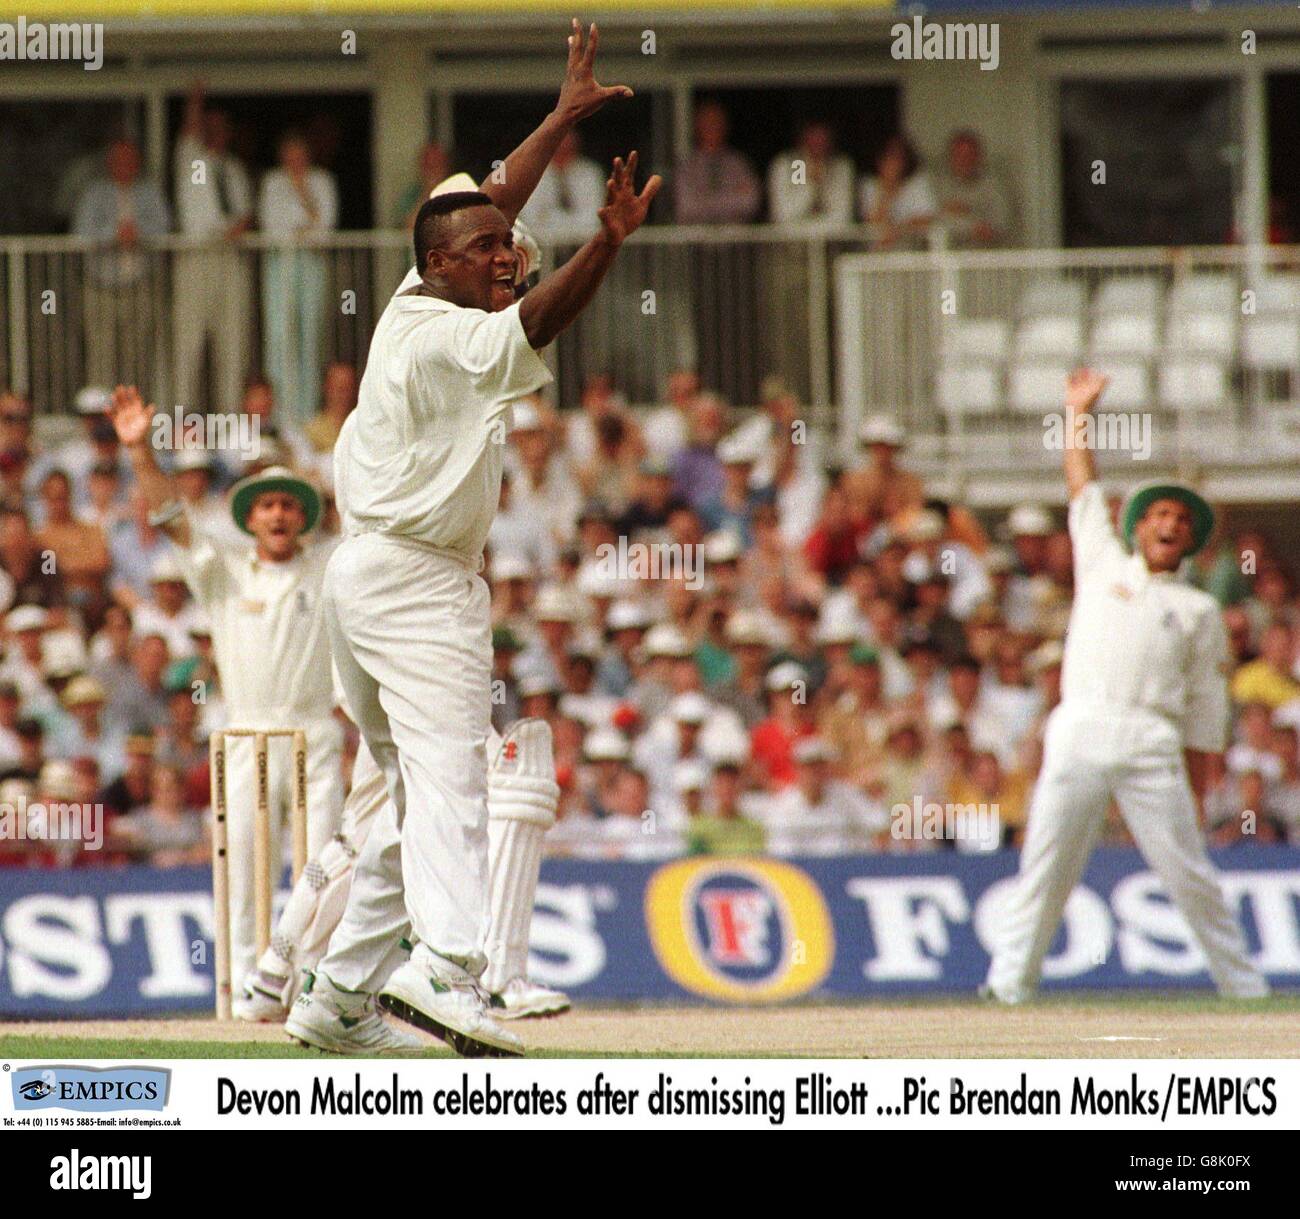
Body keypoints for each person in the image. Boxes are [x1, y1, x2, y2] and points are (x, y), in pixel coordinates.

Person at [286, 20, 654, 1059]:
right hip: (414, 581)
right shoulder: (448, 337)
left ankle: (339, 995)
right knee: (454, 777)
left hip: (363, 575)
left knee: (411, 796)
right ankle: (448, 973)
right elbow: (535, 322)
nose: (508, 252)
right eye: (490, 251)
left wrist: (559, 118)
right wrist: (609, 242)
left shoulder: (417, 288)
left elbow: (489, 199)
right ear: (442, 267)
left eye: (511, 244)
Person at [984, 369, 1269, 1002]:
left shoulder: (1198, 611)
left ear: (1189, 539)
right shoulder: (1101, 559)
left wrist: (1199, 789)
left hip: (1151, 740)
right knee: (1046, 866)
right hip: (1081, 724)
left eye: (1180, 519)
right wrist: (1076, 412)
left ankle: (1245, 989)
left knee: (1187, 871)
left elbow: (1204, 709)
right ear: (1139, 526)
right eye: (1159, 513)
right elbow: (1082, 485)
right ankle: (1007, 988)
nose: (1169, 523)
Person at [107, 384, 346, 1014]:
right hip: (244, 735)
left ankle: (312, 991)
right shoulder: (224, 567)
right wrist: (138, 453)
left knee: (322, 871)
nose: (276, 516)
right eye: (265, 506)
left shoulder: (329, 565)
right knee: (242, 863)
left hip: (315, 734)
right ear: (250, 516)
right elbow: (168, 518)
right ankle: (245, 988)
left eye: (288, 507)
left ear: (303, 516)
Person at [172, 81, 254, 413]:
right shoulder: (191, 159)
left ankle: (229, 415)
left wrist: (238, 227)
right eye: (210, 126)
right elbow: (191, 129)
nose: (215, 132)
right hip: (196, 256)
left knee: (231, 343)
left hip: (229, 258)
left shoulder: (233, 170)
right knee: (188, 343)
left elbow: (246, 214)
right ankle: (181, 415)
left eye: (222, 128)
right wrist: (196, 95)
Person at [73, 139, 172, 388]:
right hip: (101, 286)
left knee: (137, 356)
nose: (125, 165)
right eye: (119, 160)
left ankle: (134, 414)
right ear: (109, 163)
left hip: (139, 286)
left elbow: (165, 227)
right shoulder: (95, 193)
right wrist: (113, 235)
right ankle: (101, 415)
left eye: (130, 160)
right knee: (101, 355)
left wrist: (139, 234)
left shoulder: (149, 191)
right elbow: (81, 233)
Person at [258, 129, 339, 422]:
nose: (295, 162)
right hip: (280, 264)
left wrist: (303, 193)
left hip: (311, 264)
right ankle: (279, 412)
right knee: (281, 336)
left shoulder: (321, 181)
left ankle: (305, 412)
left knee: (309, 335)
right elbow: (272, 227)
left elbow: (325, 228)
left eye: (300, 156)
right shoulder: (273, 182)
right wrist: (303, 229)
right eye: (289, 157)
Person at [674, 101, 760, 224]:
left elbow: (750, 202)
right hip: (696, 240)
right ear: (697, 126)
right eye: (708, 123)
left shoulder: (738, 164)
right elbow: (687, 206)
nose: (713, 127)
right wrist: (732, 196)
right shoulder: (686, 167)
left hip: (734, 240)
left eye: (717, 123)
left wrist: (703, 199)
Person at [518, 128, 606, 239]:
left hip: (583, 242)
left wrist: (555, 221)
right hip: (543, 245)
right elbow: (531, 218)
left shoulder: (591, 172)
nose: (563, 143)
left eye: (566, 137)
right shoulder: (532, 173)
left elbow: (594, 217)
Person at [933, 129, 1012, 248]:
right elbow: (927, 222)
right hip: (944, 260)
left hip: (984, 259)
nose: (964, 160)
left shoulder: (993, 186)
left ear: (979, 157)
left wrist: (956, 215)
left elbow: (998, 227)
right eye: (959, 155)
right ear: (950, 157)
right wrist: (972, 225)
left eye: (969, 155)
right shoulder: (936, 185)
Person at [768, 121, 854, 228]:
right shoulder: (792, 164)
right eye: (813, 134)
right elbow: (785, 215)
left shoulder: (841, 166)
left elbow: (842, 217)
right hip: (793, 239)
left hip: (830, 236)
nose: (818, 141)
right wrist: (811, 183)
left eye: (822, 134)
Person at [859, 134, 935, 250]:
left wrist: (898, 230)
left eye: (897, 158)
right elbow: (872, 222)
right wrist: (887, 190)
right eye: (888, 158)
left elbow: (925, 220)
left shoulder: (918, 184)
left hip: (911, 252)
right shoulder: (869, 186)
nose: (893, 163)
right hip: (877, 252)